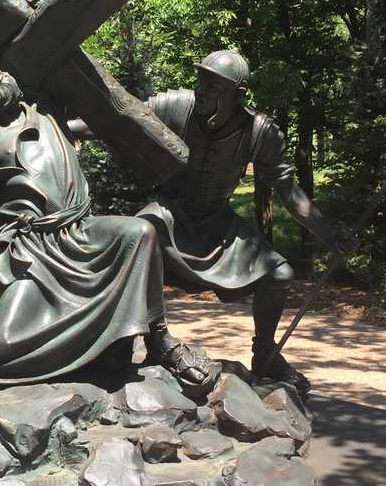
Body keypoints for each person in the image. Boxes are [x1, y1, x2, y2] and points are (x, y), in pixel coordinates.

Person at [0, 57, 218, 404]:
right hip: (32, 253)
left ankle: (160, 342)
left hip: (81, 232)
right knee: (0, 336)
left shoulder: (44, 107)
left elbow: (63, 51)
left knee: (139, 232)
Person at [70, 49, 349, 393]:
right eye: (200, 82)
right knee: (139, 237)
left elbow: (289, 193)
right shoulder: (177, 105)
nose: (201, 92)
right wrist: (60, 126)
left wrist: (329, 234)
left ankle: (265, 351)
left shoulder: (259, 132)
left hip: (217, 224)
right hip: (169, 215)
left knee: (279, 274)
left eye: (213, 87)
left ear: (238, 94)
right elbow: (117, 120)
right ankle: (157, 339)